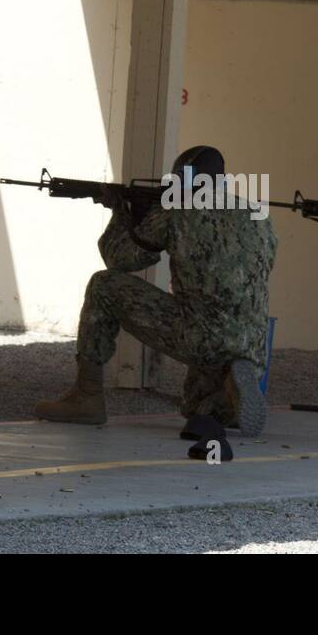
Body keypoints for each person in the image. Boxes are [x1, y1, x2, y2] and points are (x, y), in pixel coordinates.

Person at [35, 146, 277, 436]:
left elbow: (120, 259)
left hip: (201, 335)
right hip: (251, 344)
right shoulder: (259, 216)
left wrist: (121, 215)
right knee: (194, 409)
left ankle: (87, 397)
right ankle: (226, 397)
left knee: (103, 285)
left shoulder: (177, 210)